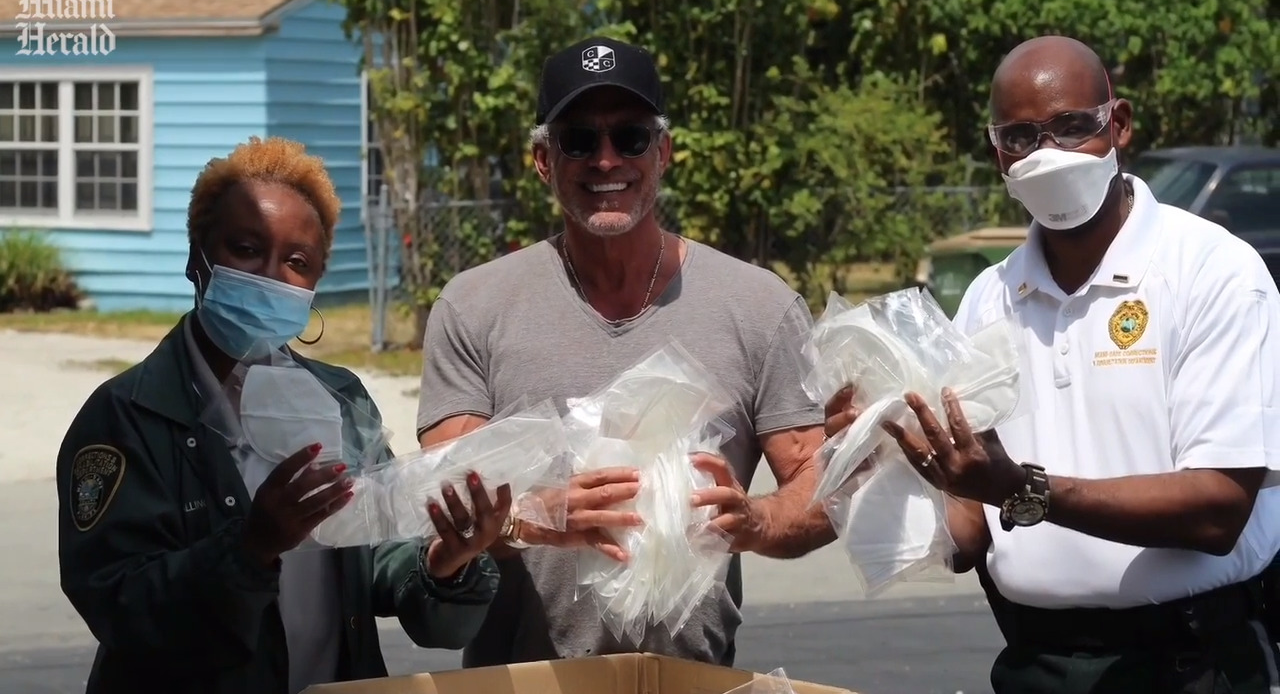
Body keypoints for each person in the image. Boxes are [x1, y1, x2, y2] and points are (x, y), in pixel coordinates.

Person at [826, 35, 1280, 693]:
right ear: (997, 153)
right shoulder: (989, 298)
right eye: (1022, 137)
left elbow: (1217, 512)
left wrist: (1022, 489)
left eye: (1073, 128)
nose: (1049, 155)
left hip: (1193, 663)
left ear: (1118, 123)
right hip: (1037, 664)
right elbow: (966, 532)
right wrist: (877, 467)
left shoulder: (1211, 271)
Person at [415, 36, 835, 667]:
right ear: (542, 159)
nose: (606, 160)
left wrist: (758, 521)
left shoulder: (758, 306)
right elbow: (446, 496)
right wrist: (537, 514)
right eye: (579, 140)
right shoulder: (475, 306)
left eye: (631, 137)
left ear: (662, 152)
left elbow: (818, 481)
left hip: (690, 680)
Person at [56, 136, 508, 694]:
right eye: (246, 249)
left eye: (296, 262)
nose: (271, 275)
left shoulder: (338, 401)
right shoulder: (126, 418)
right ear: (197, 258)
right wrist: (252, 546)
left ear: (316, 281)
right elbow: (119, 605)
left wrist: (448, 559)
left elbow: (383, 555)